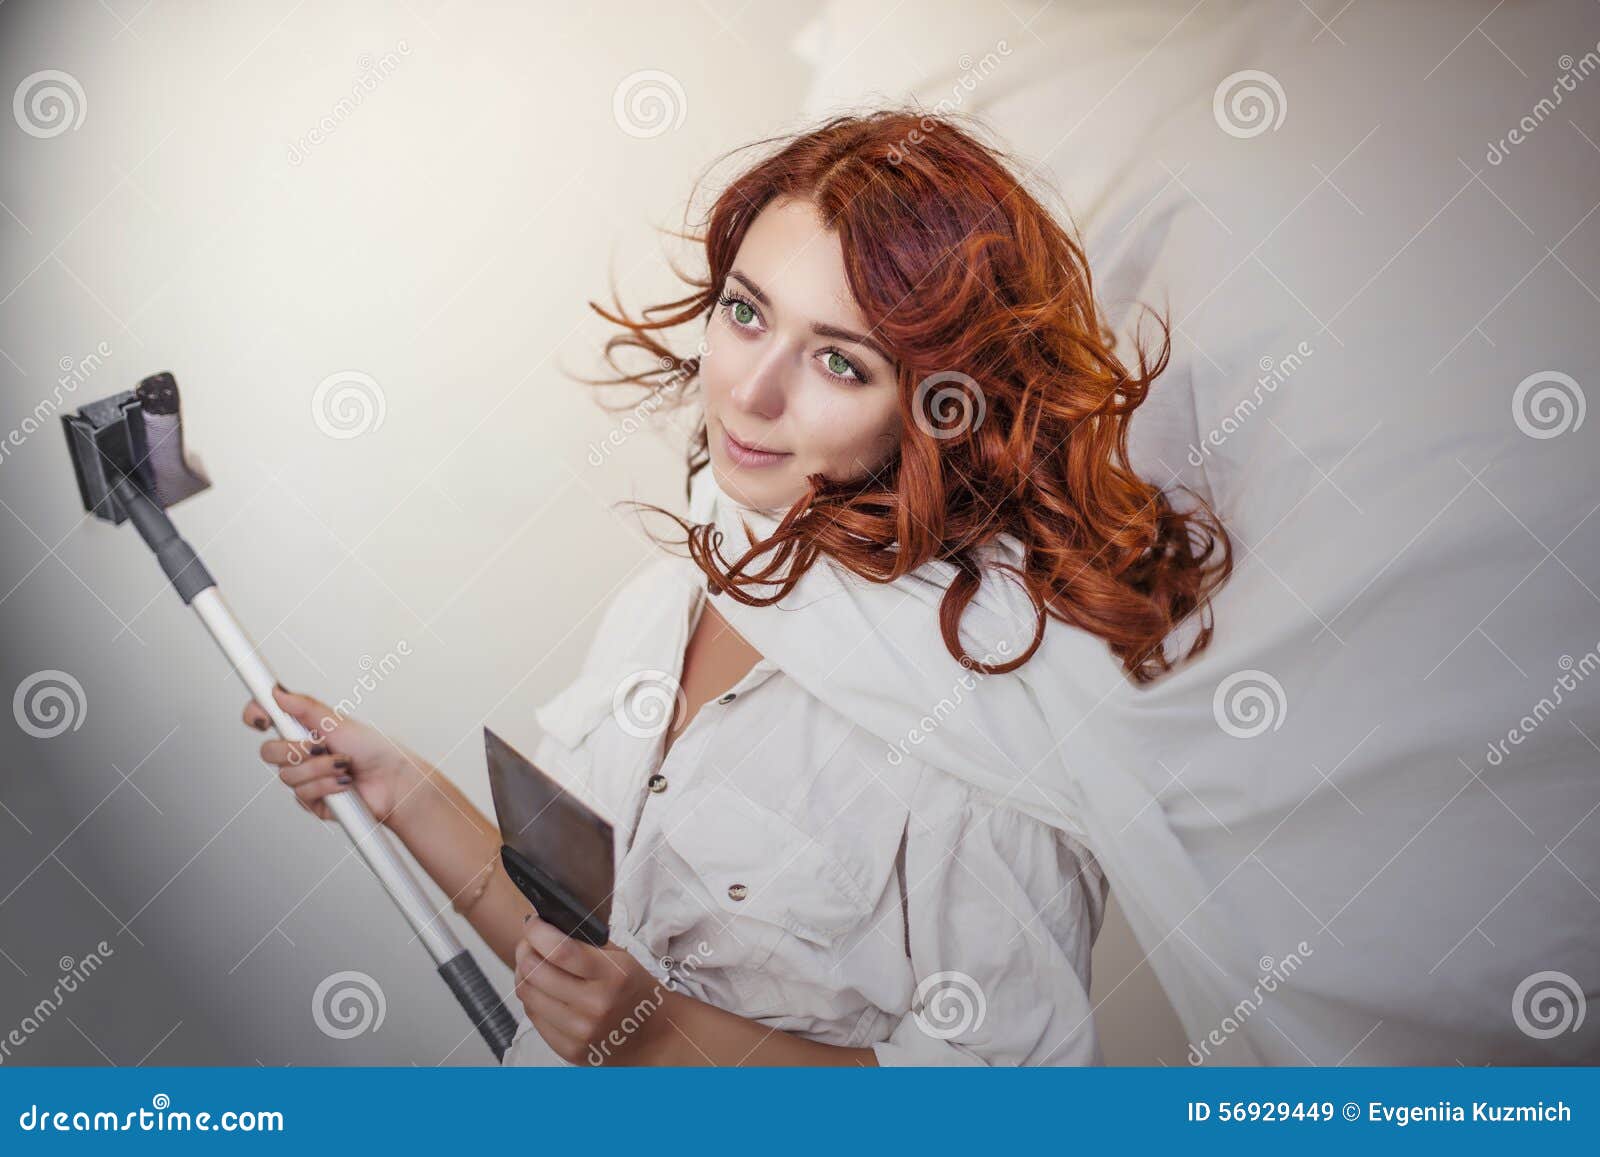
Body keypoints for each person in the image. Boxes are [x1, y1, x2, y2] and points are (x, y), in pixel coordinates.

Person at [241, 109, 1229, 1065]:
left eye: (840, 361)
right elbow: (584, 974)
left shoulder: (979, 692)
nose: (752, 392)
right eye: (745, 312)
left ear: (945, 405)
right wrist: (405, 794)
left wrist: (668, 1037)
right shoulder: (677, 592)